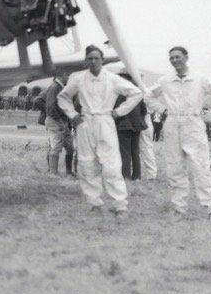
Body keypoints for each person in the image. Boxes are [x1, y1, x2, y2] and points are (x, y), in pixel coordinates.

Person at [58, 46, 143, 218]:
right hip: (85, 123)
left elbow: (136, 93)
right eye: (90, 58)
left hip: (105, 121)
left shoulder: (112, 79)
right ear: (86, 60)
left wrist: (118, 112)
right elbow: (63, 97)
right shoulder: (78, 78)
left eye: (96, 58)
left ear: (102, 60)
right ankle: (94, 203)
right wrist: (73, 114)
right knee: (87, 163)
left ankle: (120, 206)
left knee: (111, 164)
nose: (93, 61)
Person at [147, 46, 211, 220]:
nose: (175, 60)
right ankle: (179, 208)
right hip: (172, 123)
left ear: (186, 57)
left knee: (201, 166)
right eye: (171, 58)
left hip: (193, 123)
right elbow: (148, 96)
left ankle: (210, 208)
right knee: (175, 167)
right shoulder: (165, 80)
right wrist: (162, 109)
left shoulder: (200, 79)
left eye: (178, 57)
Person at [113, 72, 147, 180]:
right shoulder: (137, 91)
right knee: (135, 151)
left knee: (124, 152)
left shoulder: (120, 93)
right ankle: (137, 176)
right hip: (137, 125)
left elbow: (116, 111)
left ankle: (125, 176)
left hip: (123, 125)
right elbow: (144, 110)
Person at [40, 72, 74, 177]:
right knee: (56, 147)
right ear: (61, 75)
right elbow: (51, 107)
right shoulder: (55, 87)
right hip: (56, 121)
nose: (69, 77)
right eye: (68, 75)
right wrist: (59, 119)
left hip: (62, 121)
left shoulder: (59, 87)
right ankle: (53, 173)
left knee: (70, 147)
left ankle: (69, 172)